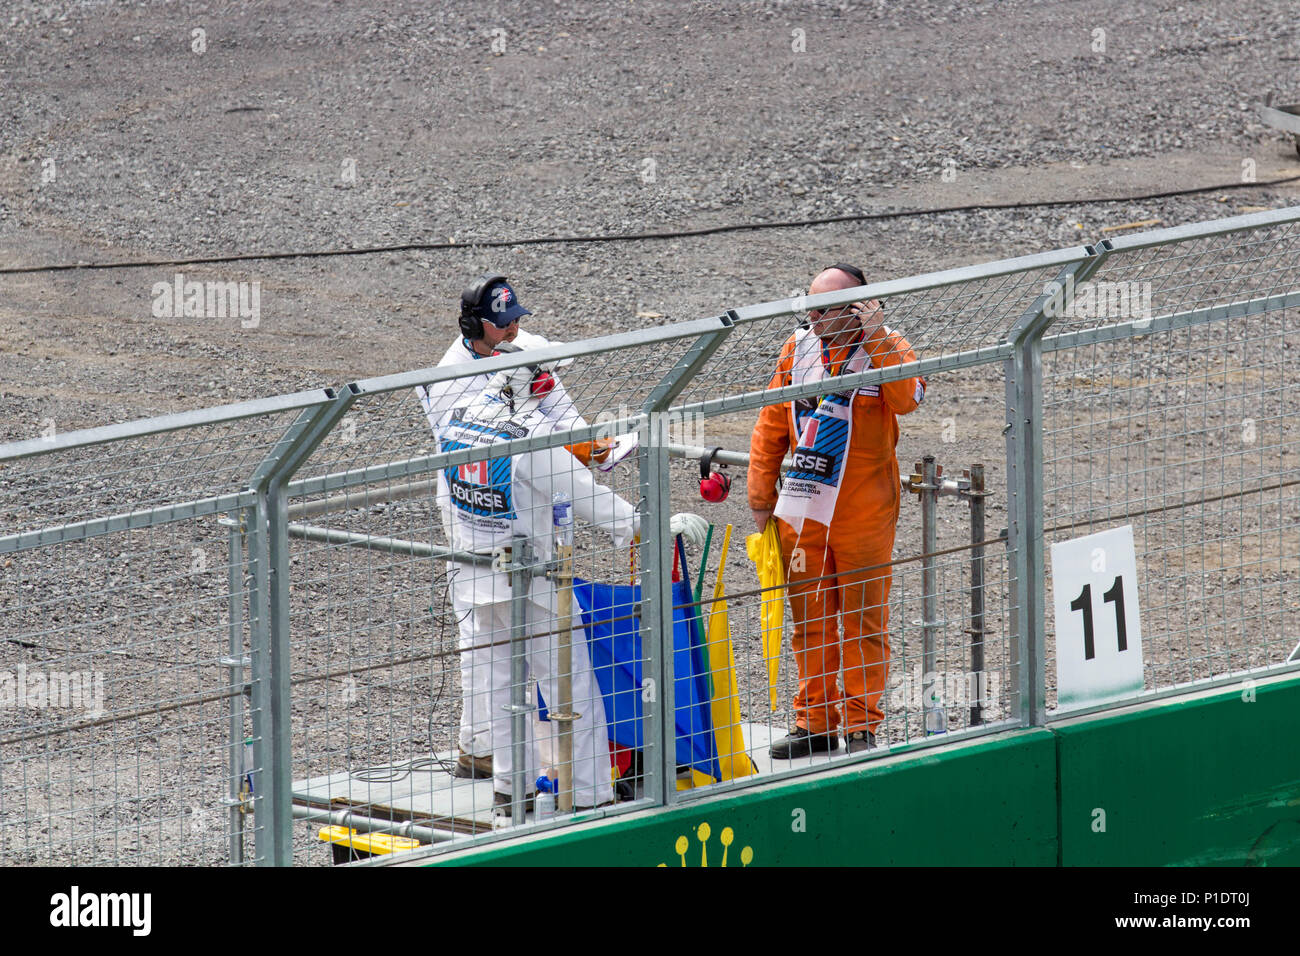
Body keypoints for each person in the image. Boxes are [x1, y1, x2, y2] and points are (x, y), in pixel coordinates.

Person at [436, 355, 705, 816]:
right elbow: (584, 495)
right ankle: (587, 795)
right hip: (533, 583)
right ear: (536, 383)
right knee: (572, 688)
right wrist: (649, 526)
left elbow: (445, 498)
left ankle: (509, 791)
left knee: (500, 690)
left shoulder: (457, 420)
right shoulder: (532, 434)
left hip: (474, 577)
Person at [415, 274, 627, 781]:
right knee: (507, 648)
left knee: (497, 650)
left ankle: (500, 766)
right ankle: (575, 779)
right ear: (474, 326)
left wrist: (589, 441)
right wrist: (628, 521)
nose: (512, 330)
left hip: (504, 515)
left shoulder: (518, 349)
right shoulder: (448, 380)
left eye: (515, 321)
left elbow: (555, 397)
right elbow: (507, 439)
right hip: (485, 520)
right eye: (502, 323)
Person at [747, 263, 926, 757]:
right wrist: (762, 499)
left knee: (864, 618)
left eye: (824, 309)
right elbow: (769, 424)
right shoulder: (797, 348)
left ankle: (862, 725)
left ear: (858, 309)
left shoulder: (891, 348)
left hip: (864, 512)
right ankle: (815, 724)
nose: (813, 317)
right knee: (809, 618)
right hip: (802, 510)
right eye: (810, 307)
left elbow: (908, 399)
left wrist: (876, 338)